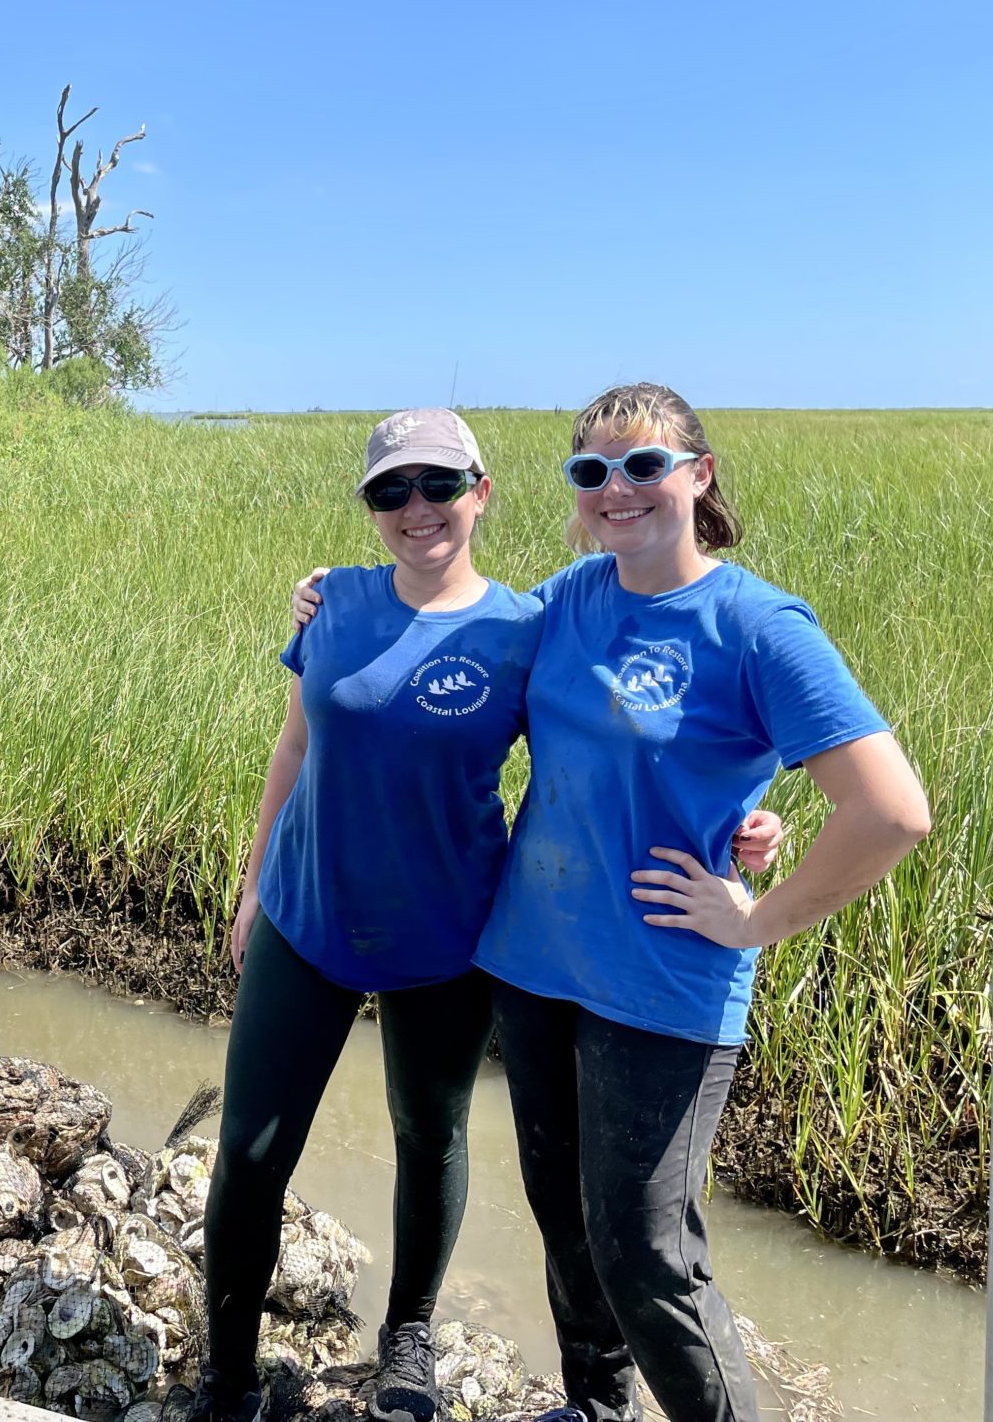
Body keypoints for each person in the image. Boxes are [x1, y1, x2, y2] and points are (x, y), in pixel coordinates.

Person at [297, 384, 931, 1422]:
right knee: (564, 1218)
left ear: (698, 475)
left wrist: (755, 913)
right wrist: (340, 602)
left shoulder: (754, 625)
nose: (616, 489)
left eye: (642, 466)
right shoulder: (571, 598)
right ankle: (595, 1407)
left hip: (664, 979)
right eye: (591, 472)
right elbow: (456, 625)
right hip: (533, 961)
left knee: (647, 1254)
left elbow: (890, 812)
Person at [200, 409, 782, 1422]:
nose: (414, 509)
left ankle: (407, 1343)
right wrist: (254, 883)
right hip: (307, 916)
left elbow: (617, 741)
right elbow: (290, 751)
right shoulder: (328, 603)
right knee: (249, 1153)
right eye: (389, 491)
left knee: (428, 1139)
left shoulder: (526, 625)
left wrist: (736, 830)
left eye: (436, 485)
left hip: (450, 931)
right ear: (367, 509)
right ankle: (226, 1378)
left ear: (479, 492)